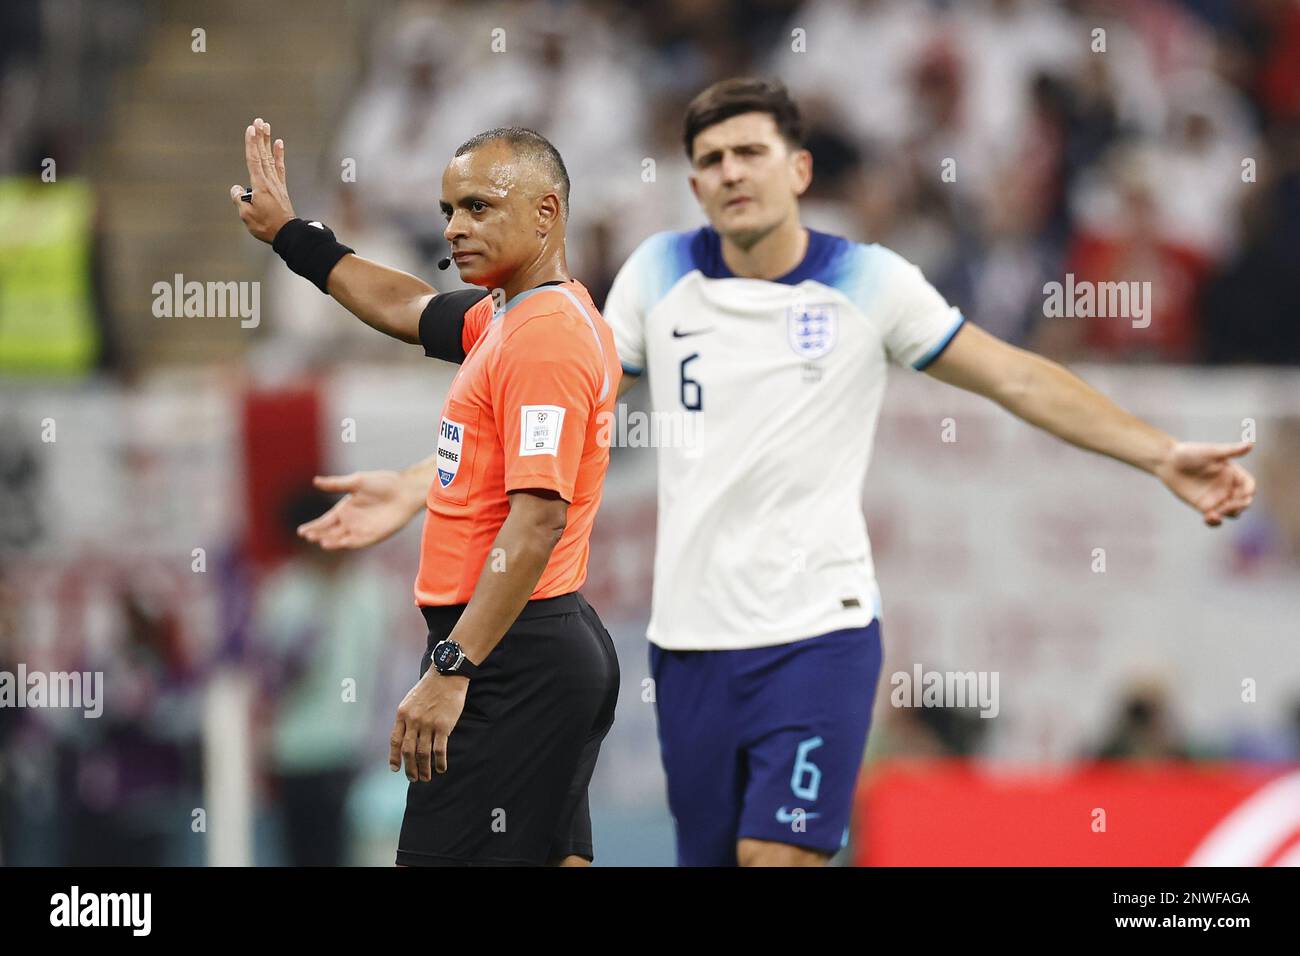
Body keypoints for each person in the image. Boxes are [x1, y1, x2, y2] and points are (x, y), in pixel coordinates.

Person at [292, 76, 1258, 868]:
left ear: (798, 168)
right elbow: (557, 408)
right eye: (708, 160)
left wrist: (1158, 450)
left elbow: (1014, 376)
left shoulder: (870, 282)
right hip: (692, 640)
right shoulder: (658, 277)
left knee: (777, 862)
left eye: (750, 152)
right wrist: (421, 482)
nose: (729, 173)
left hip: (817, 631)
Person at [232, 119, 620, 867]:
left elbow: (537, 520)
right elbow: (407, 308)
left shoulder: (544, 337)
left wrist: (453, 668)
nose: (454, 227)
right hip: (532, 647)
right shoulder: (511, 316)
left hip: (506, 658)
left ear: (546, 213)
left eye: (478, 206)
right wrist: (293, 236)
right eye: (448, 210)